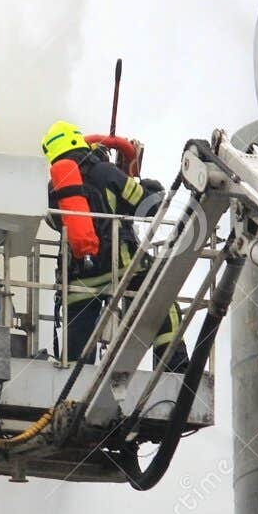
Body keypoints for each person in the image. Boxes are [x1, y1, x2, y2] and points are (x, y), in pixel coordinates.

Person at [42, 119, 189, 371]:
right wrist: (148, 186)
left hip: (79, 279)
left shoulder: (53, 187)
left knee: (78, 344)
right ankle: (174, 370)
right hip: (123, 268)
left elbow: (54, 223)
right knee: (163, 306)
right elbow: (146, 205)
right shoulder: (105, 172)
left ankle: (74, 381)